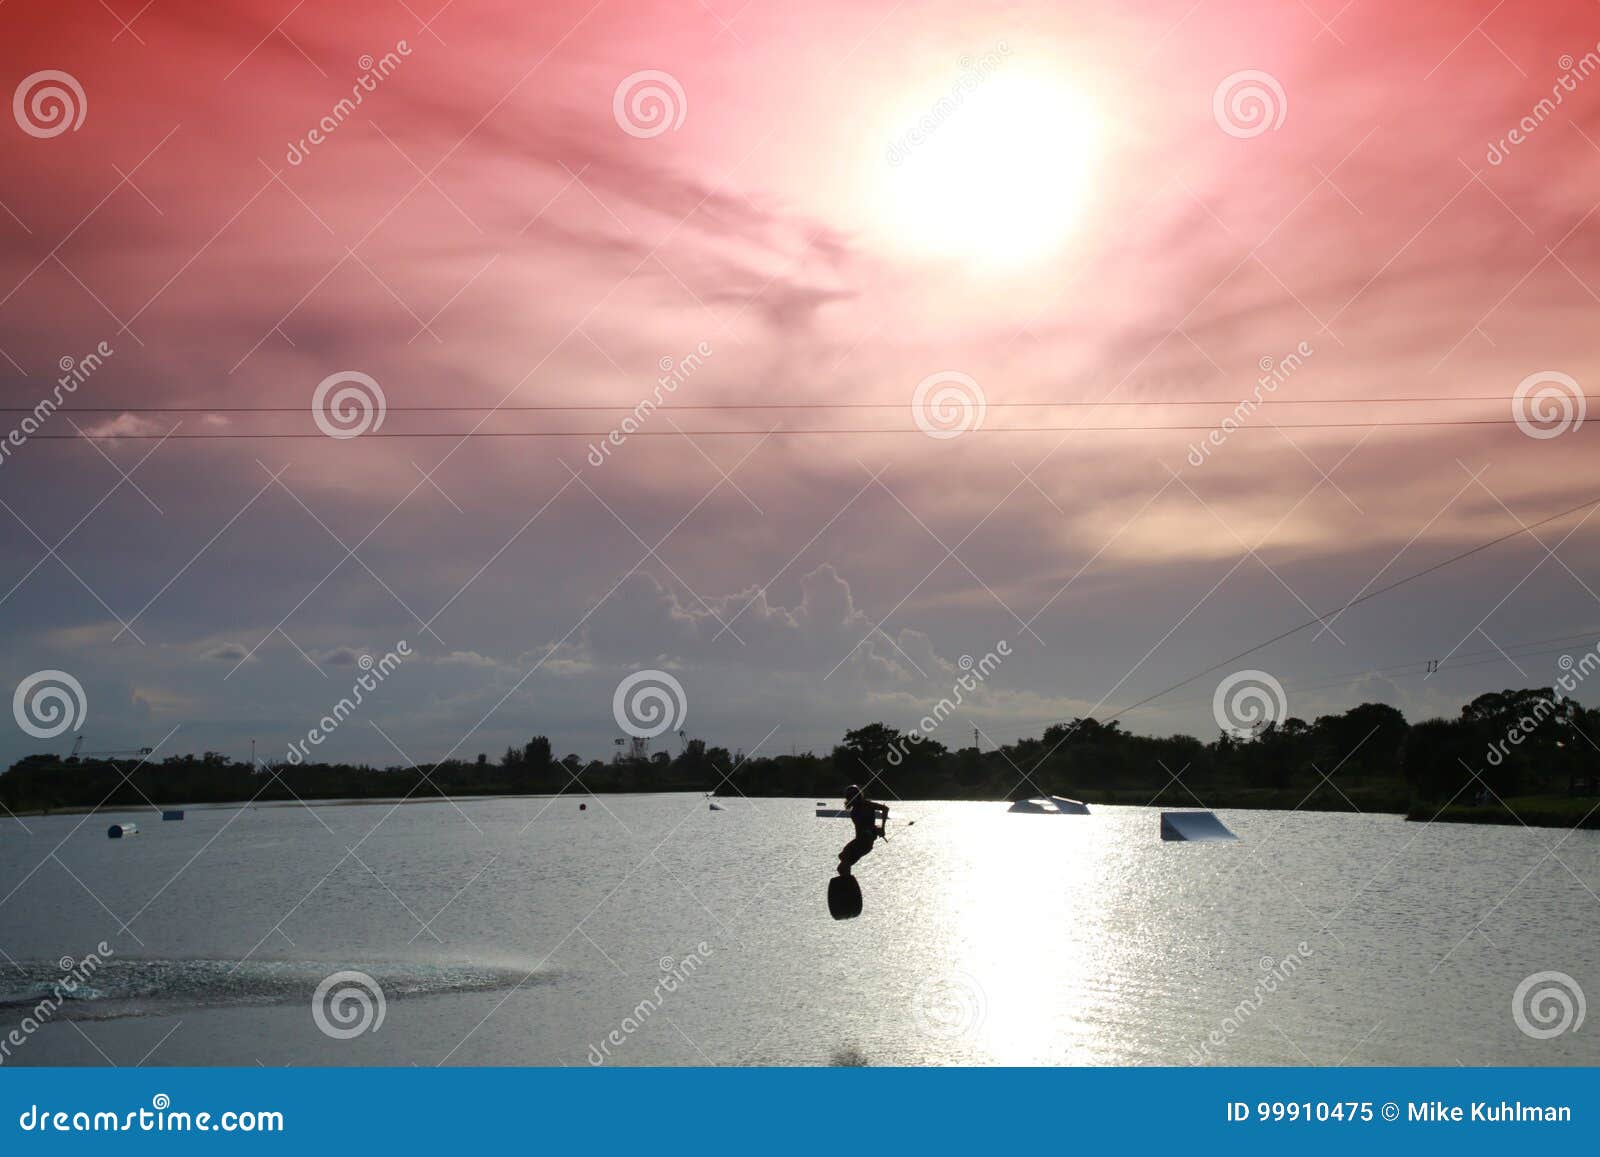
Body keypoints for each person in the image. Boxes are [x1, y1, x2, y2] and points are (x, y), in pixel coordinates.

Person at [836, 784, 889, 876]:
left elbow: (885, 808)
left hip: (865, 842)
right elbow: (864, 825)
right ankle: (847, 881)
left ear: (858, 796)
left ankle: (847, 881)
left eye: (853, 796)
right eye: (849, 797)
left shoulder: (868, 804)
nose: (851, 799)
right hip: (860, 841)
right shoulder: (854, 810)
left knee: (844, 858)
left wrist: (883, 828)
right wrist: (877, 829)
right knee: (841, 866)